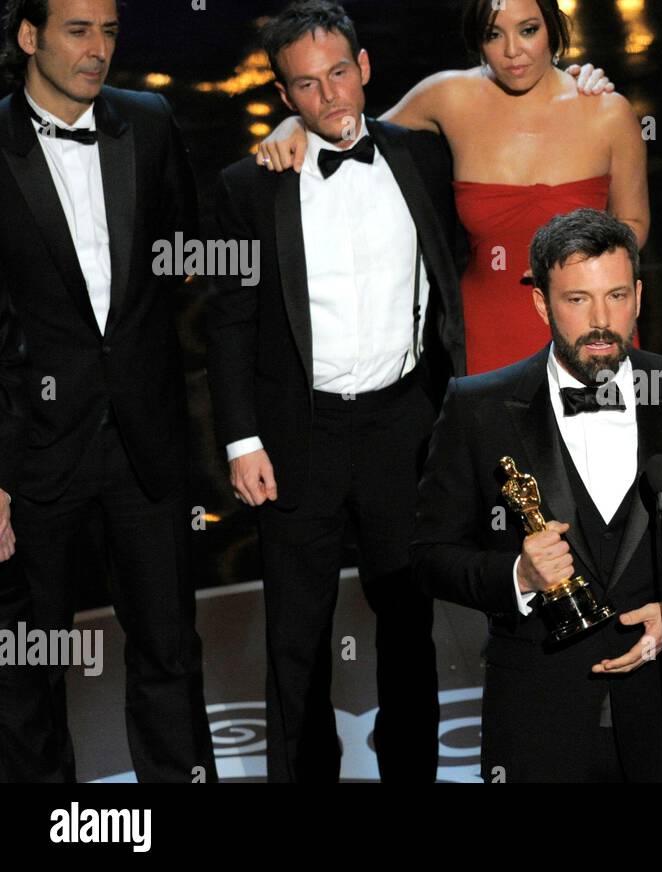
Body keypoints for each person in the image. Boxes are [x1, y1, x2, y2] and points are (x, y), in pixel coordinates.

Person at [411, 208, 662, 782]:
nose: (603, 321)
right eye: (578, 300)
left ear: (638, 295)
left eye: (616, 296)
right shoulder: (476, 406)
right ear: (542, 304)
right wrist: (518, 577)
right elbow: (430, 554)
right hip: (537, 718)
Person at [205, 1, 462, 782]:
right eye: (308, 87)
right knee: (295, 631)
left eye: (340, 74)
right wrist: (242, 439)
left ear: (366, 68)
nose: (330, 98)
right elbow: (226, 322)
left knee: (409, 621)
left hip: (402, 427)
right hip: (296, 435)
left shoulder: (423, 157)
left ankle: (411, 770)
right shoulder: (246, 186)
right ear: (285, 97)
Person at [0, 0, 216, 782]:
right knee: (29, 665)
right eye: (77, 30)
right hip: (31, 451)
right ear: (29, 37)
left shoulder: (149, 121)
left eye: (111, 31)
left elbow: (182, 256)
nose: (99, 50)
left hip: (145, 439)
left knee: (169, 647)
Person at [255, 0, 649, 375]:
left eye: (528, 30)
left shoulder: (607, 112)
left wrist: (577, 259)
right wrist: (296, 125)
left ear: (553, 27)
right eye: (494, 35)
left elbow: (633, 221)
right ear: (477, 40)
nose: (513, 51)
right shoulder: (448, 98)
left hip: (591, 327)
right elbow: (355, 136)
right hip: (485, 333)